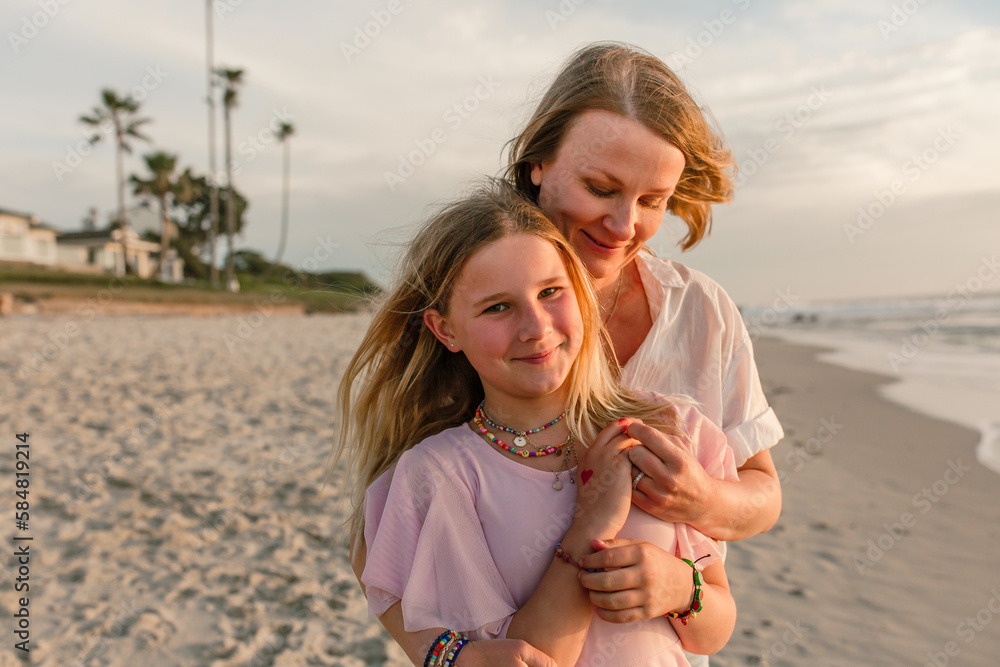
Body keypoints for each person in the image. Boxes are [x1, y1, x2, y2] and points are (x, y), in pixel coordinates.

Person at [351, 41, 784, 665]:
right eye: (600, 187)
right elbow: (383, 542)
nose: (623, 224)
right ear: (538, 164)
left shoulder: (700, 316)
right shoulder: (478, 295)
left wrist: (698, 501)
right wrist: (447, 656)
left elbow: (760, 495)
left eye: (653, 200)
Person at [338, 180, 740, 666]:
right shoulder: (440, 477)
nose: (536, 327)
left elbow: (712, 633)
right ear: (445, 330)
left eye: (551, 292)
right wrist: (590, 525)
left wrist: (680, 587)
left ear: (582, 295)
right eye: (498, 307)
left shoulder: (667, 431)